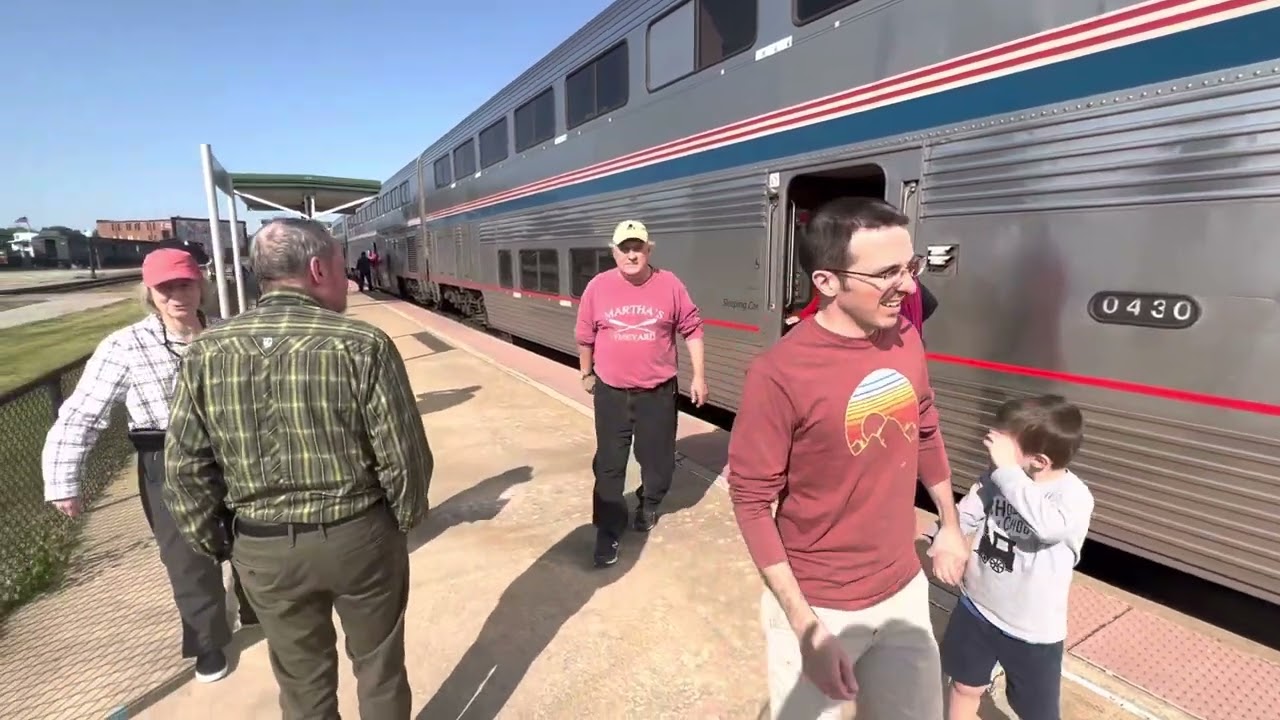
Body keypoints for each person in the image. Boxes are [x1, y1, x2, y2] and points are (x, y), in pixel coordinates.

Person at [162, 218, 433, 719]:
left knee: (302, 683)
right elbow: (405, 455)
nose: (345, 278)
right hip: (359, 537)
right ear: (316, 269)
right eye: (337, 266)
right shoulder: (362, 344)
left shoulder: (205, 351)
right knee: (379, 669)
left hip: (262, 548)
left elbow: (183, 469)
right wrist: (402, 520)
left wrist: (222, 543)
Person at [726, 197, 970, 720]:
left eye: (910, 267)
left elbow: (925, 426)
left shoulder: (906, 340)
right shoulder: (779, 374)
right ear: (828, 283)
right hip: (820, 604)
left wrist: (949, 522)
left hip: (903, 586)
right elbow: (750, 503)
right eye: (887, 274)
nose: (907, 287)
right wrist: (805, 625)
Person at [41, 247, 255, 684]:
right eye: (165, 288)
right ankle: (208, 640)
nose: (177, 296)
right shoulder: (124, 346)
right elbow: (82, 413)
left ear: (201, 286)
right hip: (167, 458)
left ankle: (254, 605)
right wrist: (64, 480)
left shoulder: (229, 335)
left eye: (185, 284)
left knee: (251, 537)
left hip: (233, 453)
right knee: (188, 556)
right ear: (150, 294)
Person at [939, 395, 1093, 720]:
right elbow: (967, 512)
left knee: (1035, 711)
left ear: (1038, 461)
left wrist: (1008, 472)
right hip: (976, 608)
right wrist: (945, 539)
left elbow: (1046, 527)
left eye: (1003, 447)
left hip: (1031, 632)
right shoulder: (1000, 475)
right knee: (964, 686)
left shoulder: (1074, 498)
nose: (991, 451)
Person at [574, 219, 707, 568]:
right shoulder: (598, 287)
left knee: (658, 462)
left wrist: (699, 376)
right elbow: (585, 335)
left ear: (649, 250)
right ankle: (608, 531)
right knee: (609, 465)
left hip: (657, 393)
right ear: (614, 251)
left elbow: (692, 328)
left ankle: (649, 502)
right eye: (624, 248)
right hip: (612, 393)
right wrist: (586, 373)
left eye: (638, 248)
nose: (631, 254)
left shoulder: (670, 284)